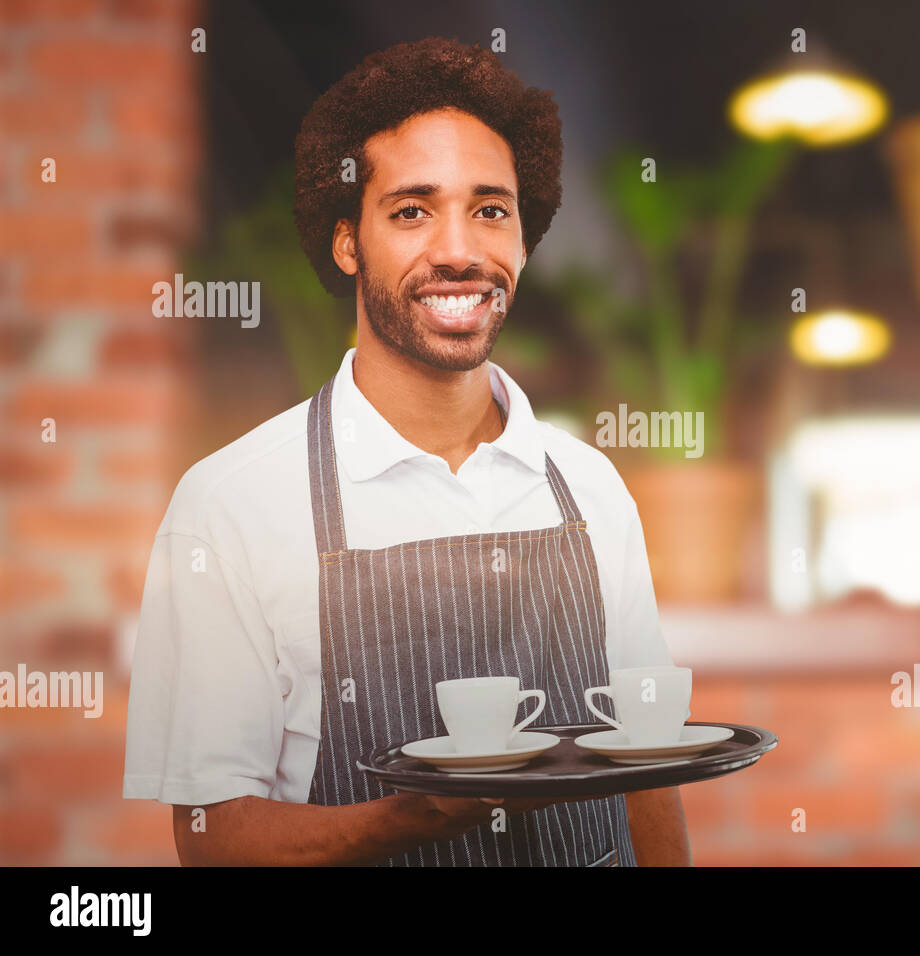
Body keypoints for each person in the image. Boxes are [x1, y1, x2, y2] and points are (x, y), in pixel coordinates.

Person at [123, 35, 690, 867]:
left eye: (491, 209)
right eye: (413, 210)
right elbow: (212, 840)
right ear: (348, 240)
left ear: (525, 241)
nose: (460, 251)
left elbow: (646, 772)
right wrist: (401, 820)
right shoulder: (228, 507)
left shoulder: (591, 488)